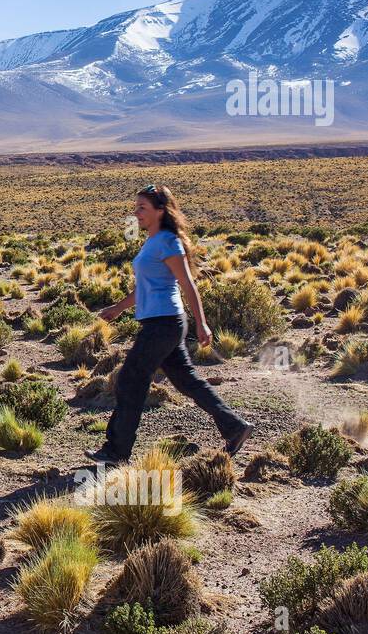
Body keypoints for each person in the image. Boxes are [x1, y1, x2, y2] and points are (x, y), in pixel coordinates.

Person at [86, 184, 254, 465]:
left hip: (163, 324)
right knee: (186, 380)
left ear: (161, 211)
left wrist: (202, 323)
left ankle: (117, 451)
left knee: (130, 379)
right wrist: (118, 308)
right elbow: (145, 287)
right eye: (136, 207)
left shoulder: (167, 242)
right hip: (160, 322)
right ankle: (235, 427)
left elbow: (187, 283)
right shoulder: (153, 241)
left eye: (142, 208)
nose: (136, 213)